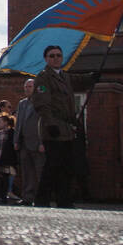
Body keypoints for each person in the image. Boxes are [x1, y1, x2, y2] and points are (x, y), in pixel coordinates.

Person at [32, 44, 76, 208]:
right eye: (52, 56)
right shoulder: (43, 78)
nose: (56, 58)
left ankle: (64, 199)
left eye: (58, 55)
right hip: (53, 128)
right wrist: (50, 124)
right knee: (52, 165)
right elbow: (42, 103)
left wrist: (93, 76)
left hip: (66, 128)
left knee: (65, 166)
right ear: (46, 59)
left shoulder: (64, 76)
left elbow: (78, 82)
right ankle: (42, 199)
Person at [13, 79, 45, 205]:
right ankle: (27, 197)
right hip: (24, 143)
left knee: (39, 172)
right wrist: (16, 140)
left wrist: (43, 142)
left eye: (30, 86)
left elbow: (43, 123)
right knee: (26, 173)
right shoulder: (22, 104)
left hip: (37, 143)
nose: (27, 89)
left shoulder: (41, 102)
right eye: (25, 86)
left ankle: (41, 197)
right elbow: (19, 122)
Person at [0, 113, 17, 204]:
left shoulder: (11, 132)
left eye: (0, 122)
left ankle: (3, 196)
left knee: (5, 178)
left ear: (6, 122)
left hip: (6, 159)